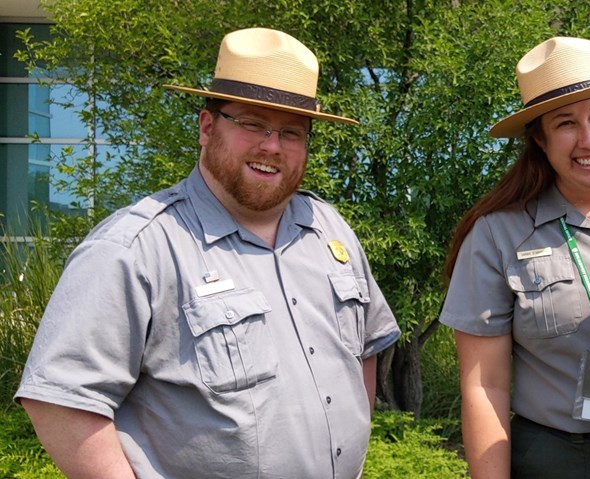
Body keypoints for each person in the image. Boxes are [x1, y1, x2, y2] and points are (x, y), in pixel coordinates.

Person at [15, 28, 400, 478]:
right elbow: (61, 402)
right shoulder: (136, 248)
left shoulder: (328, 228)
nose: (272, 146)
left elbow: (363, 351)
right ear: (206, 126)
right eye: (252, 124)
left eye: (292, 133)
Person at [439, 36, 590, 478]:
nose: (589, 139)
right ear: (540, 139)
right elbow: (484, 386)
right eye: (566, 123)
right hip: (561, 459)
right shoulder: (497, 233)